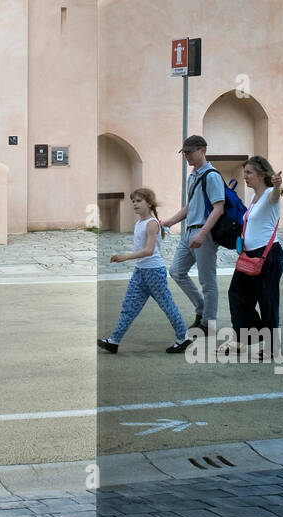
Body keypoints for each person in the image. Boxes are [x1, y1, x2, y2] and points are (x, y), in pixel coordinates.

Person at [97, 188, 192, 355]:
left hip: (154, 271)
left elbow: (149, 251)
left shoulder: (152, 224)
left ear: (149, 203)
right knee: (129, 306)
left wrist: (126, 256)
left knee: (167, 305)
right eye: (133, 201)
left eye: (139, 201)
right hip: (141, 271)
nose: (134, 204)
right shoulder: (139, 223)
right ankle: (114, 341)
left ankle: (183, 338)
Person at [160, 135, 226, 335]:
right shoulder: (193, 175)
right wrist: (170, 222)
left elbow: (219, 207)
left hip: (203, 233)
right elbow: (191, 206)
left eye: (189, 151)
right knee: (176, 271)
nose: (186, 155)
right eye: (185, 152)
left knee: (208, 281)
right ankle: (202, 310)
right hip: (189, 232)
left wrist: (203, 233)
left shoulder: (212, 175)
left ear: (202, 150)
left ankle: (209, 323)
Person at [226, 157, 283, 358]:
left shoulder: (270, 193)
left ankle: (271, 347)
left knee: (267, 300)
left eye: (249, 173)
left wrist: (277, 185)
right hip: (249, 256)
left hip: (267, 256)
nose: (245, 177)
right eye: (245, 173)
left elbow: (276, 196)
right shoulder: (253, 198)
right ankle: (249, 335)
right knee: (236, 294)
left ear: (261, 174)